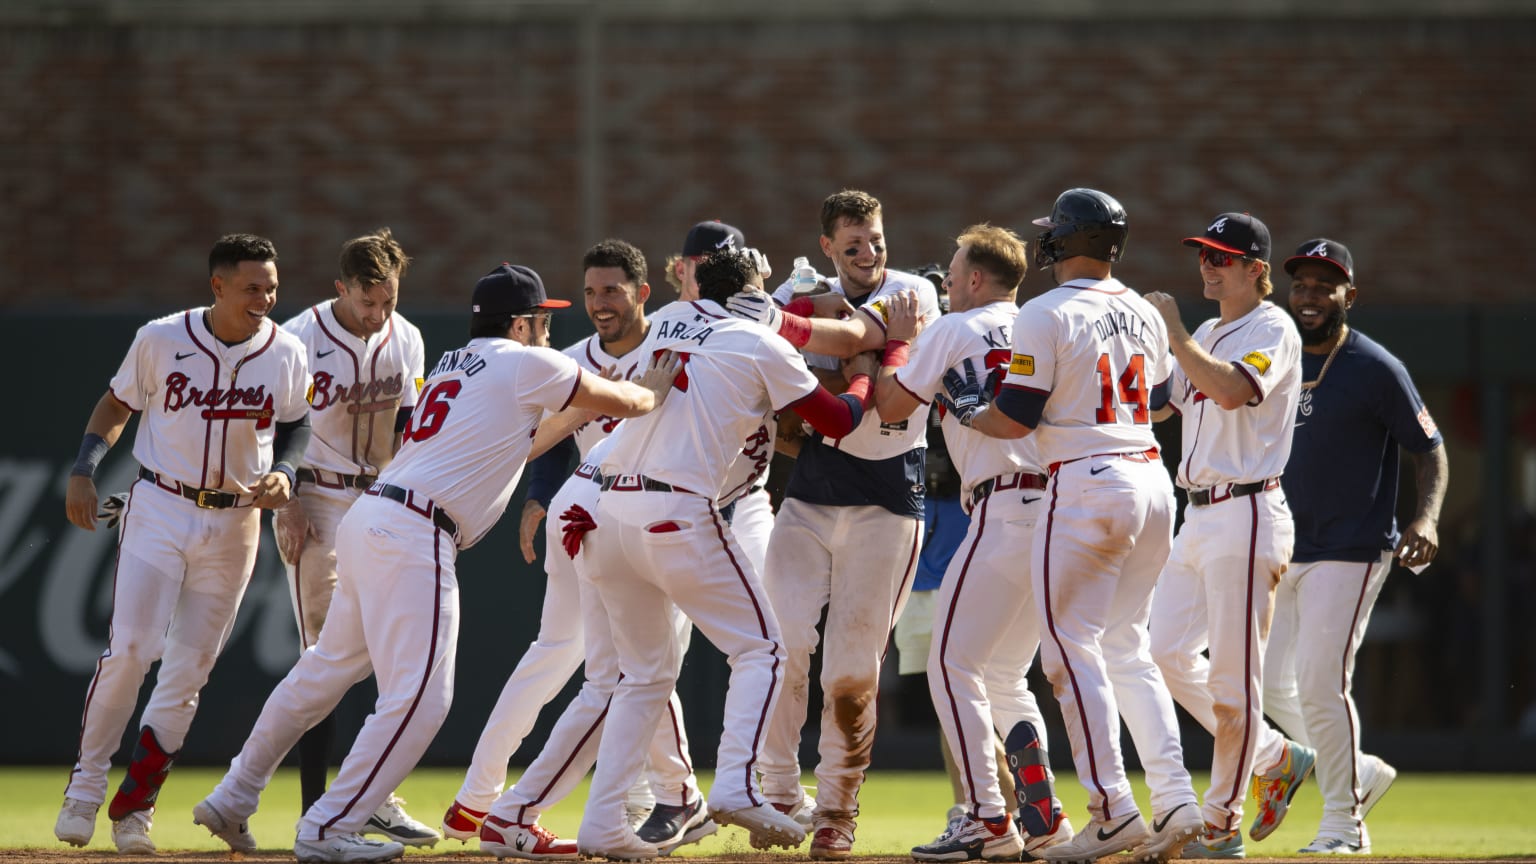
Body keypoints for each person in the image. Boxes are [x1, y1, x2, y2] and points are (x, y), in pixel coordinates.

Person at [192, 263, 676, 864]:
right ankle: (328, 825)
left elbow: (521, 442)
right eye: (542, 320)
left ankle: (234, 794)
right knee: (422, 697)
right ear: (521, 324)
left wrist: (576, 411)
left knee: (325, 670)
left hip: (375, 517)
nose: (548, 330)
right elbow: (620, 397)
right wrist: (651, 388)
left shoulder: (457, 360)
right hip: (414, 532)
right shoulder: (527, 362)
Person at [570, 247, 911, 860]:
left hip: (609, 510)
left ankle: (601, 822)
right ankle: (735, 785)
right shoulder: (758, 342)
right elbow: (834, 420)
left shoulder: (669, 319)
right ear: (747, 295)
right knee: (766, 648)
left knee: (642, 676)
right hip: (676, 509)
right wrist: (865, 368)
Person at [442, 238, 711, 857]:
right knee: (623, 667)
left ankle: (486, 799)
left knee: (612, 664)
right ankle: (657, 793)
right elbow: (551, 443)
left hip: (632, 513)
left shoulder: (669, 340)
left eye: (611, 290)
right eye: (590, 292)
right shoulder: (566, 359)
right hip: (597, 517)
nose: (598, 303)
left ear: (644, 293)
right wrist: (539, 498)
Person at [960, 189, 1204, 864]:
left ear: (1064, 242)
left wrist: (968, 412)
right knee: (1125, 646)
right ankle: (1179, 796)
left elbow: (1013, 418)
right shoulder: (1143, 312)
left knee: (1067, 653)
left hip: (1087, 483)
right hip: (1152, 480)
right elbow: (1157, 406)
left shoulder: (1042, 312)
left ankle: (1112, 809)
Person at [54, 234, 312, 855]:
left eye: (272, 286)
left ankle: (133, 809)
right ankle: (86, 787)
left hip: (236, 521)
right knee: (134, 648)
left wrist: (288, 471)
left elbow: (298, 422)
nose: (266, 298)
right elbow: (116, 403)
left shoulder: (287, 350)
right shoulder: (163, 337)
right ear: (217, 286)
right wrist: (85, 468)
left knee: (189, 671)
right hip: (161, 506)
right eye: (253, 286)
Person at [732, 189, 940, 858]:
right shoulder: (806, 293)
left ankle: (837, 809)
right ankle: (779, 791)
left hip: (889, 496)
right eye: (853, 244)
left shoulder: (913, 294)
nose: (869, 252)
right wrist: (795, 308)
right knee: (782, 642)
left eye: (876, 239)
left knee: (850, 672)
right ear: (828, 248)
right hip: (815, 488)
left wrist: (796, 317)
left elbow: (861, 341)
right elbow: (779, 393)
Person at [872, 225, 1074, 862]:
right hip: (1061, 507)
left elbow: (886, 407)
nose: (949, 283)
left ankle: (987, 818)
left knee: (949, 665)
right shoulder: (1043, 324)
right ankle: (1044, 821)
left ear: (979, 278)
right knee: (1006, 676)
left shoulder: (954, 328)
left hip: (1002, 504)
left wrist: (903, 342)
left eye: (956, 273)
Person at [1261, 238, 1447, 854]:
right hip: (1287, 545)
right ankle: (1359, 770)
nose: (1309, 296)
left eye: (1324, 286)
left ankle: (1345, 822)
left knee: (1320, 683)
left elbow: (1431, 450)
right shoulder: (1281, 357)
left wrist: (1427, 518)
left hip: (1352, 548)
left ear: (1350, 296)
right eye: (1301, 285)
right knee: (1262, 685)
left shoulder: (1375, 365)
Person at [266, 227, 437, 847]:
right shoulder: (300, 337)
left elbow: (412, 429)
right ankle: (319, 813)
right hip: (318, 493)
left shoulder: (408, 337)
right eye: (368, 301)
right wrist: (286, 503)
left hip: (383, 496)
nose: (379, 313)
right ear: (341, 288)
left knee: (395, 647)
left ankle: (374, 800)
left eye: (388, 300)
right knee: (324, 659)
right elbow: (275, 428)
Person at [1143, 213, 1304, 859]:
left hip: (1248, 510)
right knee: (1164, 652)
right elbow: (1162, 405)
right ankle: (1276, 757)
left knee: (1235, 690)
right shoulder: (1209, 328)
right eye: (1204, 255)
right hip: (1200, 514)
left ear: (1256, 268)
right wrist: (1138, 343)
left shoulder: (1273, 327)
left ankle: (1221, 826)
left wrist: (1175, 333)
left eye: (1223, 257)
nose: (1209, 266)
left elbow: (1234, 390)